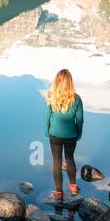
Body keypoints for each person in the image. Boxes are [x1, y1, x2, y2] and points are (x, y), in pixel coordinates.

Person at [44, 68, 83, 200]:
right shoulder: (76, 99)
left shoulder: (51, 96)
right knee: (70, 158)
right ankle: (73, 188)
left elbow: (46, 117)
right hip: (71, 135)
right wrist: (79, 133)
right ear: (70, 82)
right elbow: (80, 120)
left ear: (56, 82)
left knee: (57, 161)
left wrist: (46, 131)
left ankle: (59, 193)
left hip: (55, 135)